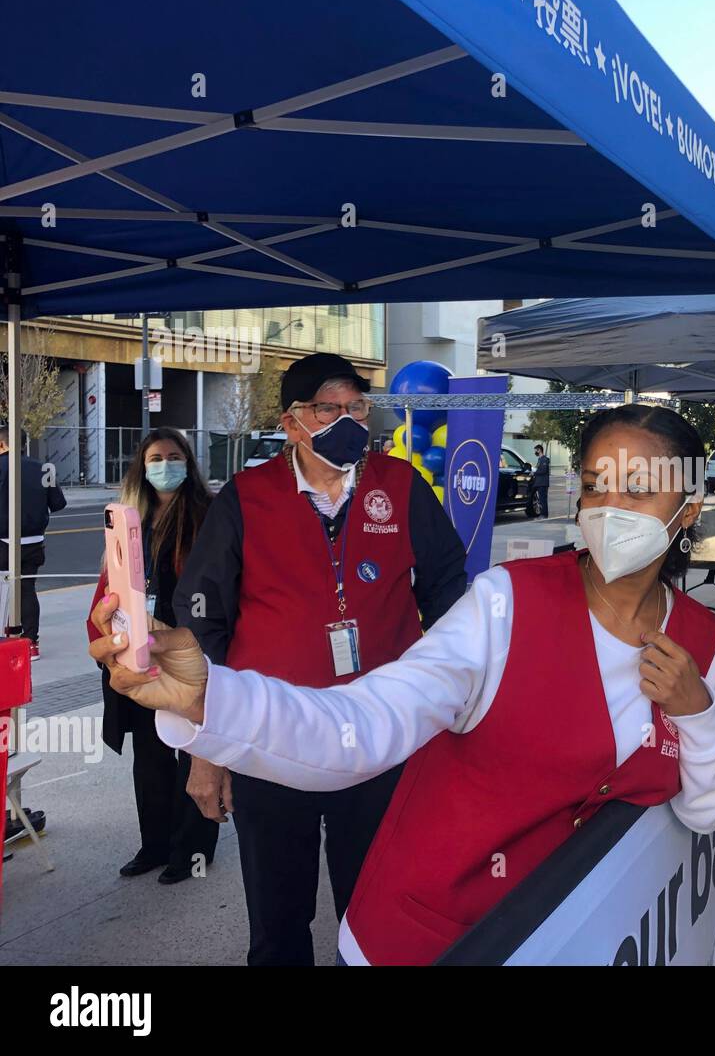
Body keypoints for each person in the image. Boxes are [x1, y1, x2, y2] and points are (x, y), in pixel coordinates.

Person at [91, 404, 715, 966]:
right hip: (424, 939)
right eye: (594, 485)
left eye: (637, 489)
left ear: (689, 505)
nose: (610, 508)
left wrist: (696, 711)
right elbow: (357, 725)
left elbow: (712, 806)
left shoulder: (697, 639)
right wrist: (212, 694)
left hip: (560, 943)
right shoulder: (504, 607)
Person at [172, 353, 468, 965]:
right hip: (273, 739)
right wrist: (206, 749)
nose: (349, 421)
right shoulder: (246, 500)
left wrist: (446, 689)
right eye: (330, 409)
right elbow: (203, 627)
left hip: (381, 738)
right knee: (278, 921)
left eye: (357, 407)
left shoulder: (400, 485)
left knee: (380, 910)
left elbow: (447, 587)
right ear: (292, 422)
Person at [87, 428, 219, 884]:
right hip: (139, 648)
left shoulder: (207, 514)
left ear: (188, 462)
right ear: (142, 467)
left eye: (174, 456)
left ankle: (193, 851)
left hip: (185, 647)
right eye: (156, 457)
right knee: (150, 752)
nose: (165, 465)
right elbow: (110, 587)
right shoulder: (129, 517)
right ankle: (155, 844)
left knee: (192, 748)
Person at [0, 426, 67, 659]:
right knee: (27, 590)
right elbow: (58, 503)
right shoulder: (43, 468)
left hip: (3, 540)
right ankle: (30, 643)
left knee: (3, 590)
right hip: (34, 541)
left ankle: (7, 635)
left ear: (2, 444)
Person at [529, 443, 551, 517]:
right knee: (540, 500)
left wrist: (534, 472)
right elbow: (538, 469)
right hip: (538, 483)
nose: (535, 452)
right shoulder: (539, 460)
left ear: (539, 450)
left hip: (543, 483)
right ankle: (543, 513)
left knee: (543, 499)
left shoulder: (545, 459)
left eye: (536, 451)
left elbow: (543, 470)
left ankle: (544, 514)